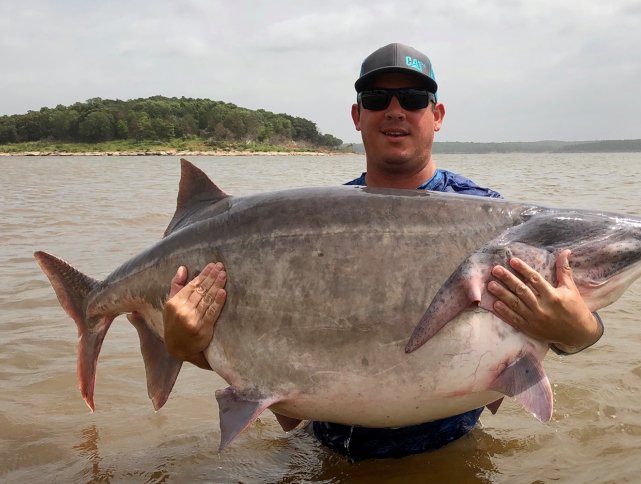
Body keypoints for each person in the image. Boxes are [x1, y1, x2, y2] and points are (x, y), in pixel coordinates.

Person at [163, 43, 604, 460]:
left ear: (438, 115)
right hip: (323, 450)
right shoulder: (316, 224)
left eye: (413, 98)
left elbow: (562, 305)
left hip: (447, 451)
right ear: (357, 116)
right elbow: (266, 342)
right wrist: (187, 348)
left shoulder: (487, 215)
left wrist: (581, 332)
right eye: (377, 98)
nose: (395, 110)